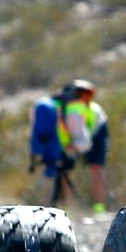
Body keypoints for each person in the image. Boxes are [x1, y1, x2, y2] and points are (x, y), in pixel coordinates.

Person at [60, 79, 111, 213]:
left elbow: (86, 142)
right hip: (79, 137)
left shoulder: (94, 110)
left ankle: (99, 207)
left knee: (96, 169)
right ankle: (66, 207)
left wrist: (73, 147)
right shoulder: (71, 109)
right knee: (66, 169)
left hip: (97, 134)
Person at [29, 84, 77, 205]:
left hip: (45, 149)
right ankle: (49, 203)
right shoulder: (48, 106)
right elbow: (45, 133)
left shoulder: (46, 104)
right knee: (51, 177)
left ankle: (49, 202)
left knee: (52, 176)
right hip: (50, 150)